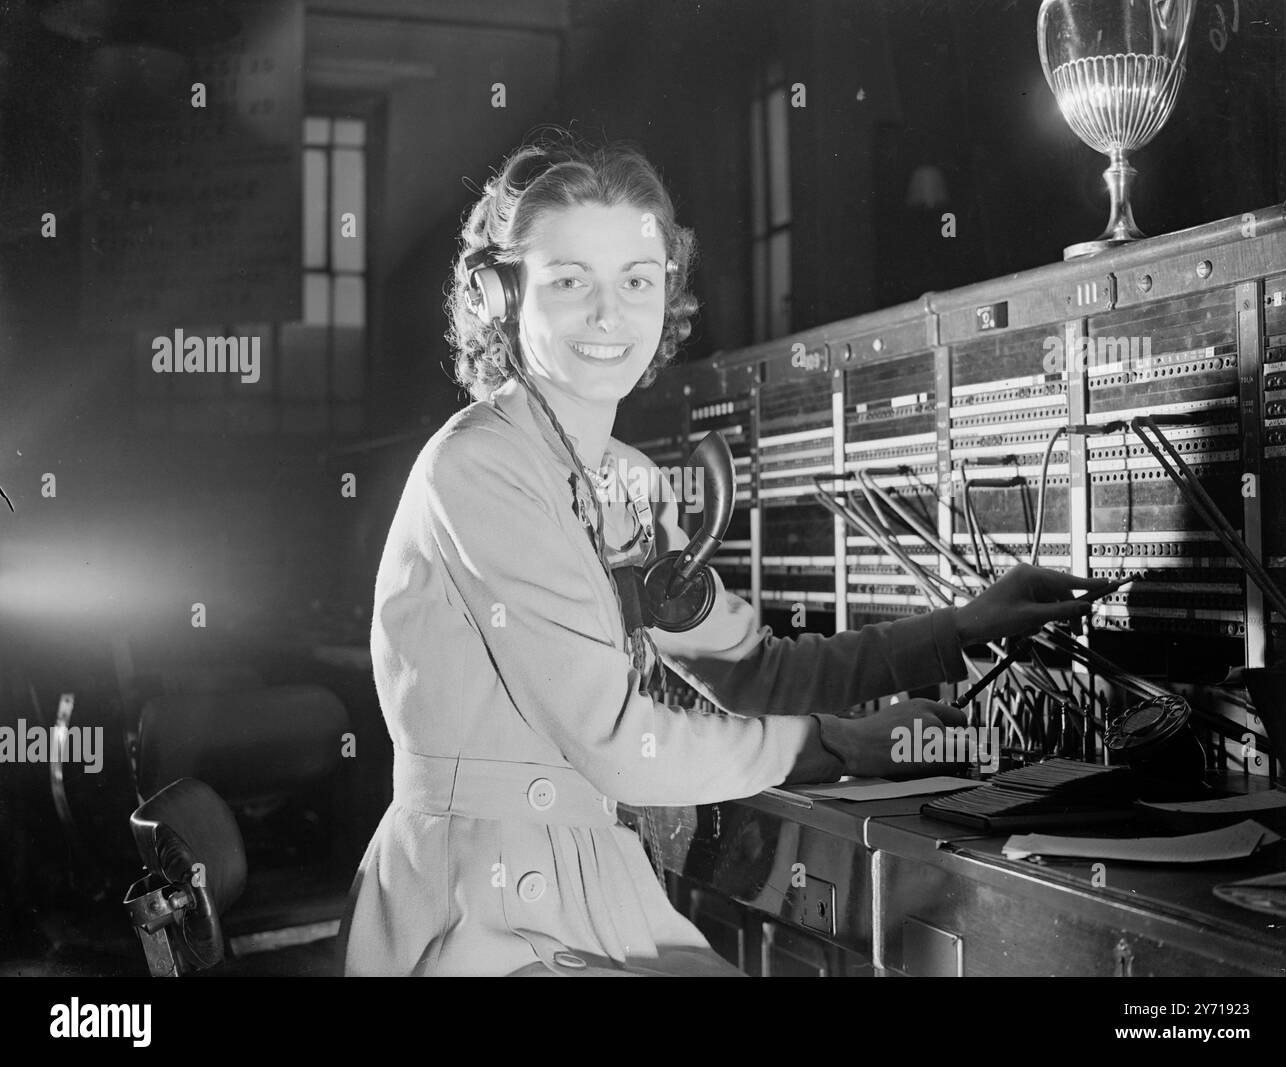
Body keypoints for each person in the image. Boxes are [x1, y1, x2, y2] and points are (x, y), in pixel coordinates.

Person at [343, 135, 1110, 976]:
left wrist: (961, 627)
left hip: (594, 880)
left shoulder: (627, 485)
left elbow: (754, 671)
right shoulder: (477, 465)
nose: (609, 315)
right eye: (569, 281)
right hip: (477, 907)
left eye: (636, 281)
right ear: (500, 294)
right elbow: (615, 743)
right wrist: (851, 744)